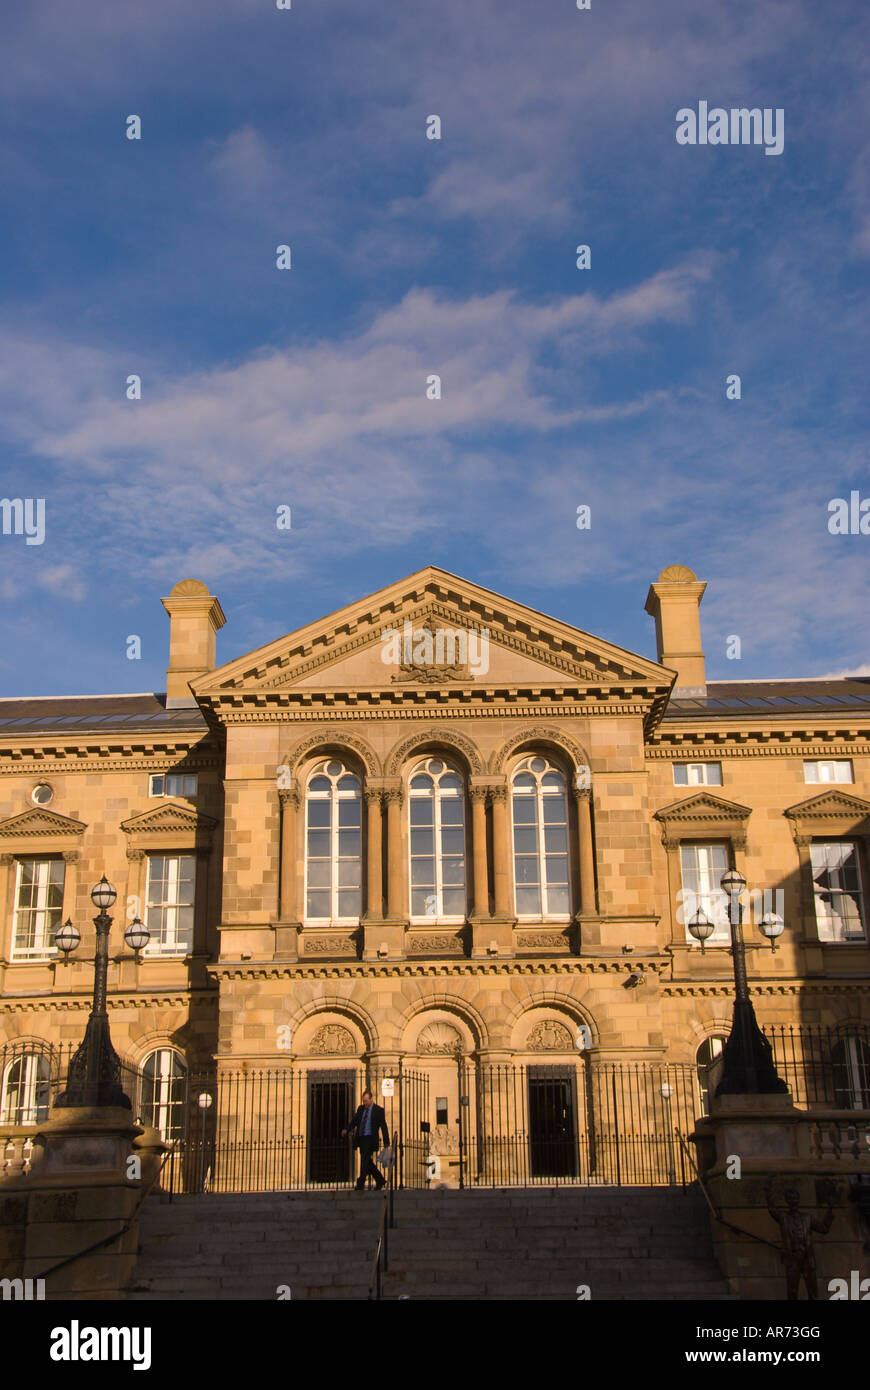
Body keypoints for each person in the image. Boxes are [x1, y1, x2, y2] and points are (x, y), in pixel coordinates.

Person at [765, 1183, 834, 1300]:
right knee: (792, 1291)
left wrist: (830, 1210)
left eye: (795, 1198)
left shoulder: (808, 1217)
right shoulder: (783, 1217)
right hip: (792, 1258)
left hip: (807, 1258)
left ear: (799, 1199)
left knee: (813, 1291)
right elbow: (772, 1209)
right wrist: (768, 1192)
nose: (793, 1200)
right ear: (787, 1200)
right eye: (790, 1198)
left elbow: (824, 1228)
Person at [343, 1090, 390, 1191]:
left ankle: (361, 1183)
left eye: (366, 1101)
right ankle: (380, 1180)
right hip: (361, 1138)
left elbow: (383, 1126)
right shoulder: (361, 1109)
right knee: (367, 1161)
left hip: (371, 1138)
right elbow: (354, 1121)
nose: (365, 1103)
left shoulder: (378, 1110)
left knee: (364, 1160)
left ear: (371, 1099)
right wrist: (347, 1130)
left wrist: (386, 1141)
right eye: (364, 1101)